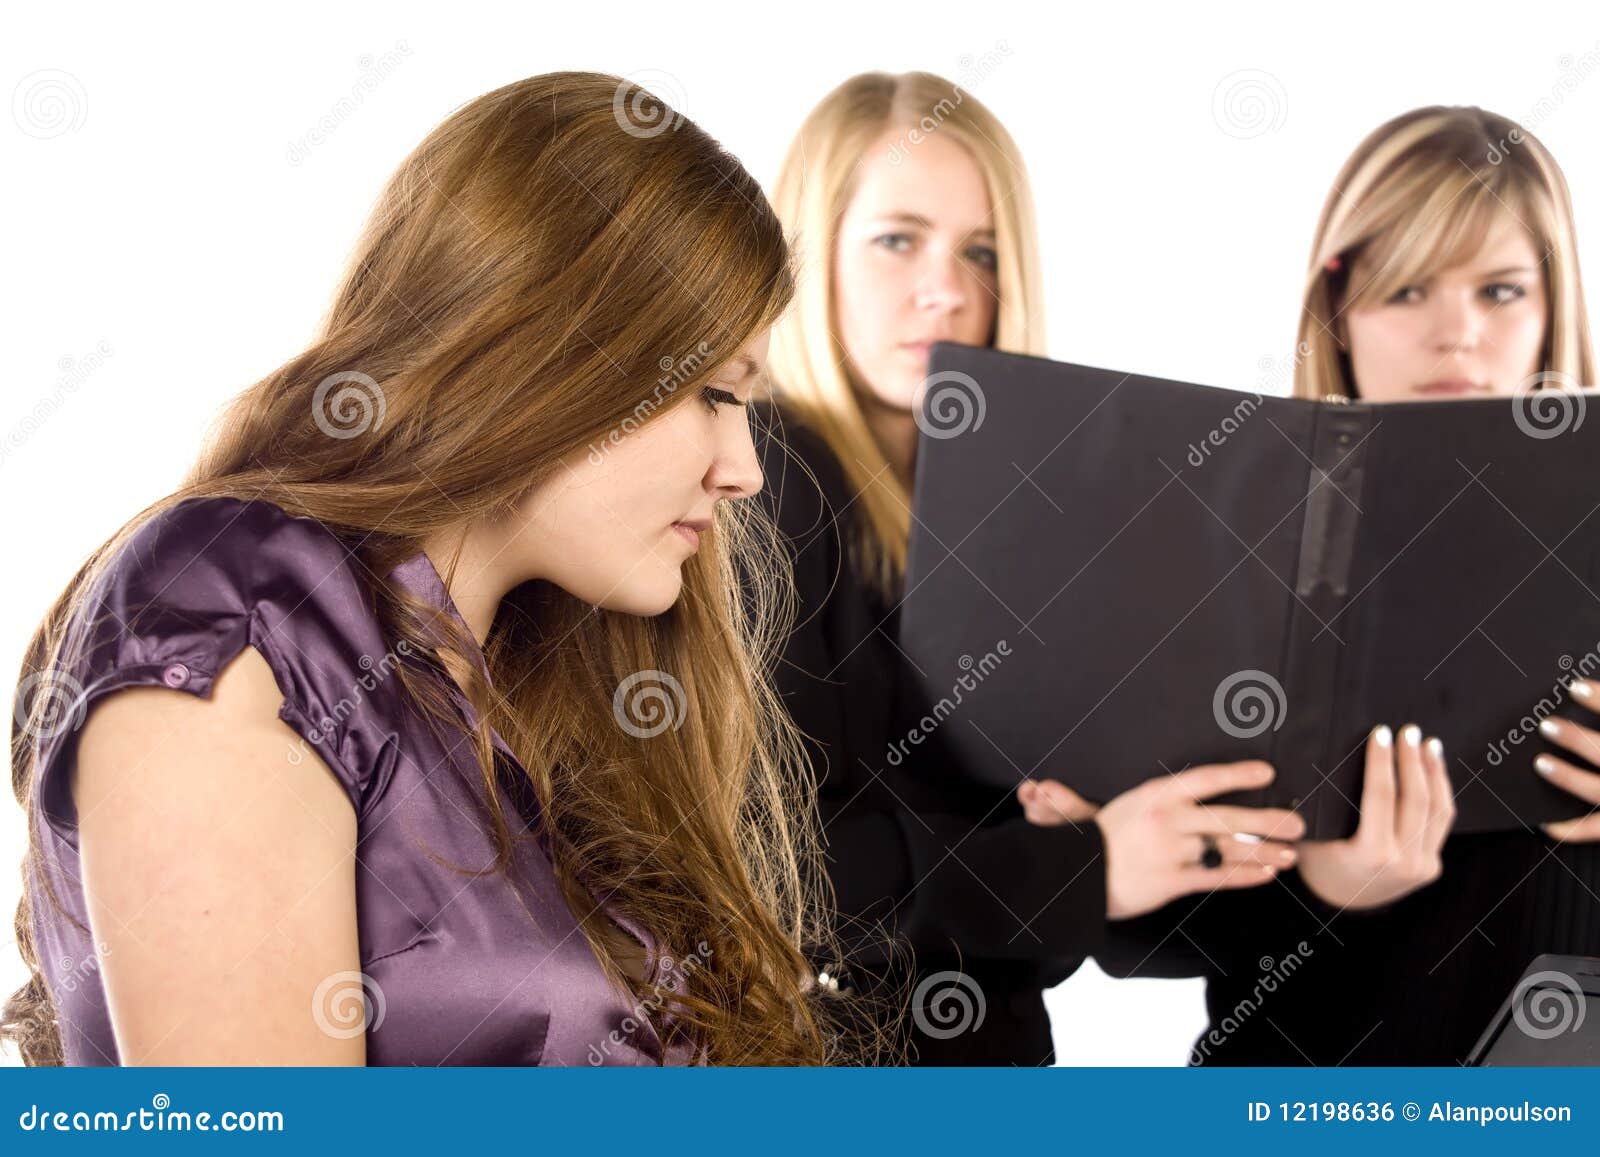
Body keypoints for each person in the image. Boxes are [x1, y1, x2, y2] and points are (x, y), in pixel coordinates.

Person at [3, 72, 857, 1067]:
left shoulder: (525, 684)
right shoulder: (239, 605)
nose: (744, 469)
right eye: (714, 391)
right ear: (538, 353)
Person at [755, 71, 1305, 1066]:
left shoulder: (1022, 519)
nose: (947, 288)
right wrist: (1077, 867)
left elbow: (1038, 930)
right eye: (896, 239)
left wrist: (1098, 834)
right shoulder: (759, 473)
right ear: (807, 251)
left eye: (983, 251)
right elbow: (784, 868)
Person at [1038, 105, 1600, 1065]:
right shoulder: (1233, 533)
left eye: (1501, 290)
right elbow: (1135, 939)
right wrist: (1320, 884)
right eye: (1409, 287)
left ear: (1555, 307)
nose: (1457, 333)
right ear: (1339, 311)